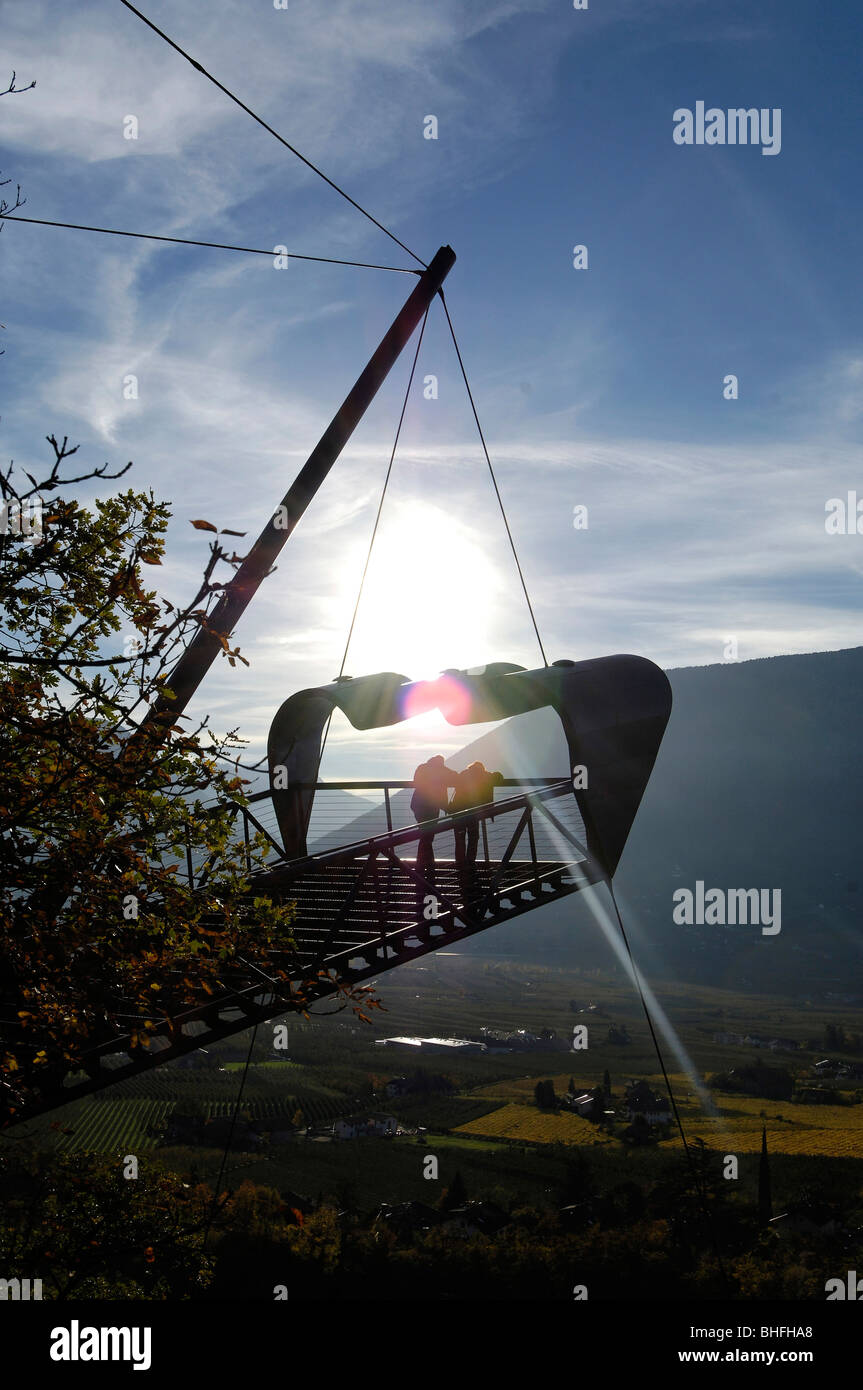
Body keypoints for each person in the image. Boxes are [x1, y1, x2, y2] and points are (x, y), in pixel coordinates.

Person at [411, 754, 458, 883]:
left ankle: (426, 865)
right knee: (427, 837)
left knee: (426, 836)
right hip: (431, 809)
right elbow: (455, 775)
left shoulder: (422, 768)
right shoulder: (441, 771)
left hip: (418, 806)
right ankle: (423, 866)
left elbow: (416, 783)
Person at [449, 761, 504, 869]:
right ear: (482, 768)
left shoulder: (464, 774)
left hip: (458, 810)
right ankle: (470, 861)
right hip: (473, 811)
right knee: (473, 837)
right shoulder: (485, 775)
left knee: (460, 837)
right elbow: (499, 777)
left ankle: (459, 862)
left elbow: (453, 780)